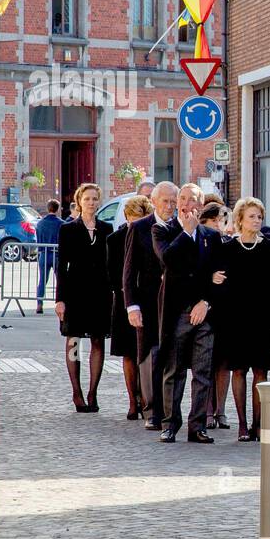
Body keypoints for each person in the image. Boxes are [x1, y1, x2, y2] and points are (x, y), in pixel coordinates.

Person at [154, 183, 223, 444]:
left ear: (201, 205)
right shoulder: (165, 231)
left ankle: (198, 426)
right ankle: (170, 424)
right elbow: (168, 260)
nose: (184, 203)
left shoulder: (211, 237)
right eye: (181, 198)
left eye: (191, 199)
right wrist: (186, 232)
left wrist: (206, 301)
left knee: (203, 373)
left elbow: (219, 276)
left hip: (204, 315)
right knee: (174, 371)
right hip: (177, 313)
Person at [218, 197, 270, 442]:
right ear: (240, 219)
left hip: (263, 318)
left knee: (261, 371)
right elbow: (219, 279)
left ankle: (259, 424)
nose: (256, 220)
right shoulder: (227, 247)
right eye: (252, 216)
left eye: (259, 216)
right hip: (235, 318)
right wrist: (213, 278)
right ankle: (242, 425)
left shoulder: (269, 248)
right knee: (239, 370)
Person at [55, 183, 114, 413]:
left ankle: (93, 391)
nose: (91, 202)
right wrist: (60, 298)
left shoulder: (106, 229)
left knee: (98, 340)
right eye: (87, 199)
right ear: (80, 201)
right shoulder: (68, 229)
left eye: (94, 199)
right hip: (75, 292)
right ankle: (77, 391)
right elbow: (62, 265)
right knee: (74, 341)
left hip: (100, 292)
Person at [123, 181, 177, 431]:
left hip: (173, 302)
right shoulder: (140, 227)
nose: (170, 206)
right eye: (165, 201)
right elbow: (129, 270)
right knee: (148, 355)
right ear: (154, 202)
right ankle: (151, 409)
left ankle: (168, 410)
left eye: (173, 201)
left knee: (170, 356)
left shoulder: (180, 228)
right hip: (146, 301)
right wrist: (131, 306)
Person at [107, 194, 152, 420]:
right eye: (132, 218)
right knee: (128, 354)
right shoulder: (116, 239)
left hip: (147, 301)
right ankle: (131, 400)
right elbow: (113, 273)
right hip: (124, 301)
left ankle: (146, 398)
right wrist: (125, 294)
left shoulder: (152, 235)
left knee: (145, 353)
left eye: (140, 218)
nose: (135, 223)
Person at [199, 203, 232, 430]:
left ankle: (221, 410)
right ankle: (207, 411)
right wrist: (209, 278)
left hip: (227, 308)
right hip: (206, 308)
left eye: (222, 220)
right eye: (214, 221)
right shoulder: (200, 244)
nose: (219, 225)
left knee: (224, 364)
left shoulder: (229, 245)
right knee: (206, 364)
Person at [34, 198, 63, 313]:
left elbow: (38, 238)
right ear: (57, 209)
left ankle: (39, 303)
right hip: (56, 254)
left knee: (42, 281)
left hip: (44, 254)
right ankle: (59, 303)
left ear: (48, 208)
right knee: (60, 281)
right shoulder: (61, 224)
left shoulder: (40, 223)